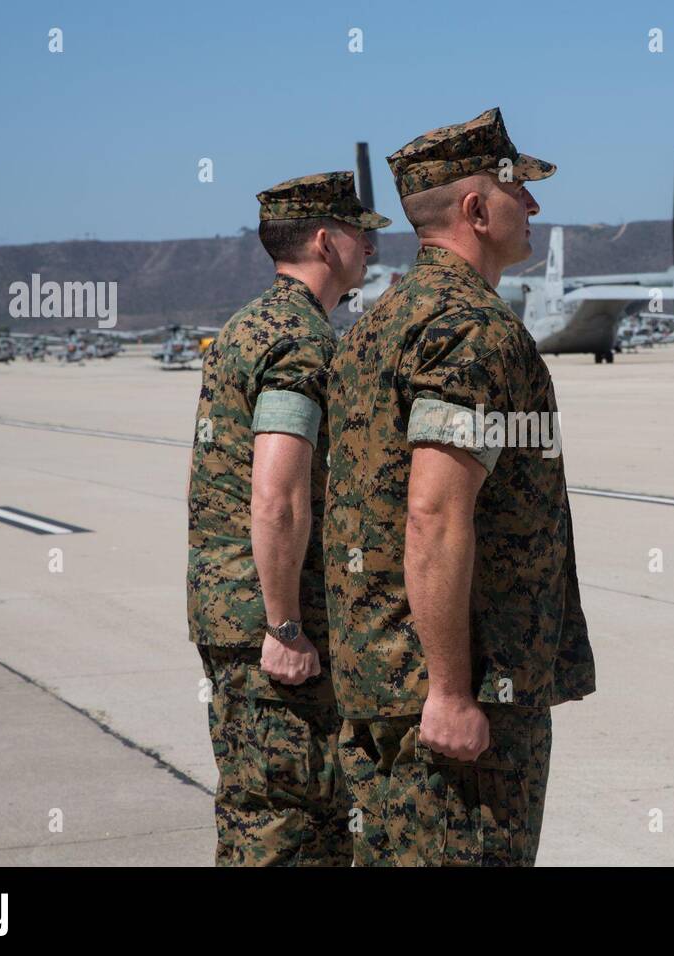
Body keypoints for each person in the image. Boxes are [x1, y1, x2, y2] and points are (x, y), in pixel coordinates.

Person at [324, 108, 596, 866]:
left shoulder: (380, 325)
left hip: (382, 682)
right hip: (456, 702)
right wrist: (449, 692)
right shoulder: (467, 330)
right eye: (519, 190)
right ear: (477, 210)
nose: (534, 206)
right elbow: (435, 514)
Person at [186, 171, 389, 865]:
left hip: (230, 611)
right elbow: (276, 495)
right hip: (273, 633)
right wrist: (285, 626)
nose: (370, 247)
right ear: (328, 242)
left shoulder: (247, 325)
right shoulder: (299, 340)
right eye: (362, 235)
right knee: (286, 827)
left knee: (260, 813)